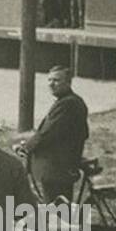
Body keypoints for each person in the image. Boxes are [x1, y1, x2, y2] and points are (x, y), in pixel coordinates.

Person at [20, 65, 88, 204]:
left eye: (56, 80)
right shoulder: (74, 100)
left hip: (57, 167)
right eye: (49, 80)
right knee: (61, 208)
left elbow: (46, 134)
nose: (51, 84)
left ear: (68, 82)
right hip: (66, 163)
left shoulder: (66, 104)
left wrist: (26, 147)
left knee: (55, 211)